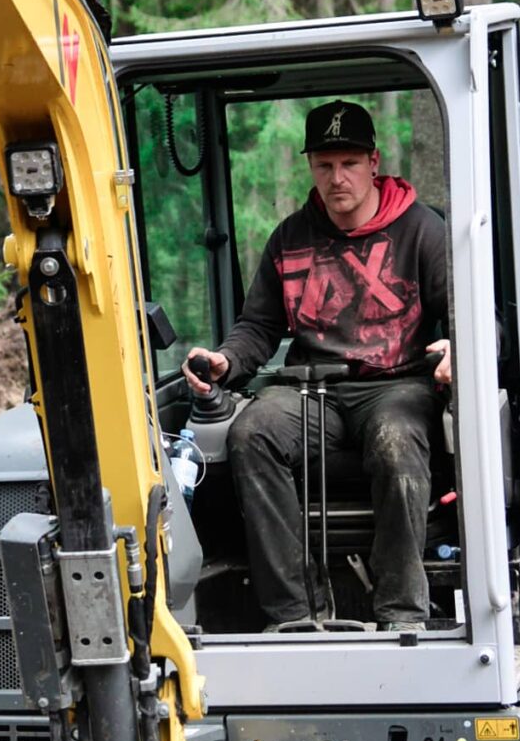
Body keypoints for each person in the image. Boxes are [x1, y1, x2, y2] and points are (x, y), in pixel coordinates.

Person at [186, 99, 451, 631]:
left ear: (373, 162)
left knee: (396, 440)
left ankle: (402, 614)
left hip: (397, 386)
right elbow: (259, 328)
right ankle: (297, 614)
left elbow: (468, 314)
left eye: (349, 163)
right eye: (324, 165)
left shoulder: (423, 231)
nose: (337, 178)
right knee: (252, 432)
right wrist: (226, 361)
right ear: (311, 167)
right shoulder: (290, 237)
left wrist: (460, 347)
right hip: (315, 394)